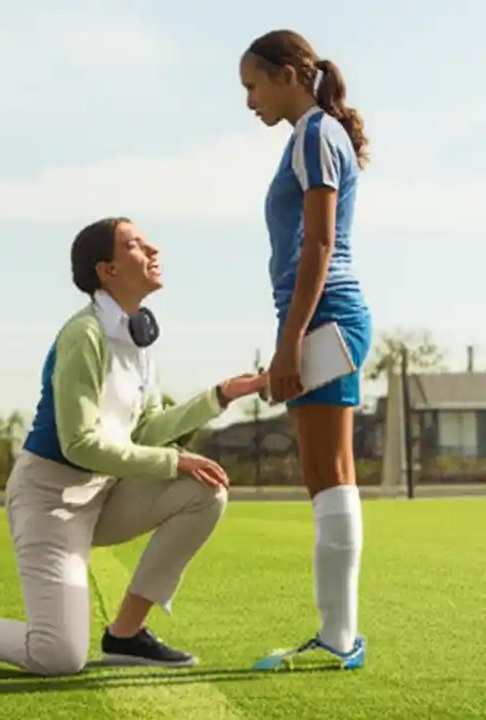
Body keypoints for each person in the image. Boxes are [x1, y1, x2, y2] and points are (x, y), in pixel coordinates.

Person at [0, 218, 266, 675]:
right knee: (58, 656)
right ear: (108, 270)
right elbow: (80, 444)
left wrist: (220, 396)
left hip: (103, 494)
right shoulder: (83, 335)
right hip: (51, 501)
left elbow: (143, 431)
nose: (153, 249)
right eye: (136, 245)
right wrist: (174, 461)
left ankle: (126, 634)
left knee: (205, 490)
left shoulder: (138, 338)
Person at [240, 30, 371, 670]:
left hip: (324, 316)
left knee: (330, 474)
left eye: (253, 86)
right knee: (324, 475)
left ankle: (340, 639)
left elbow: (318, 245)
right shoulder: (310, 136)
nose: (249, 101)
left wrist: (288, 341)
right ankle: (338, 636)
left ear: (288, 75)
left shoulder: (317, 133)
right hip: (317, 316)